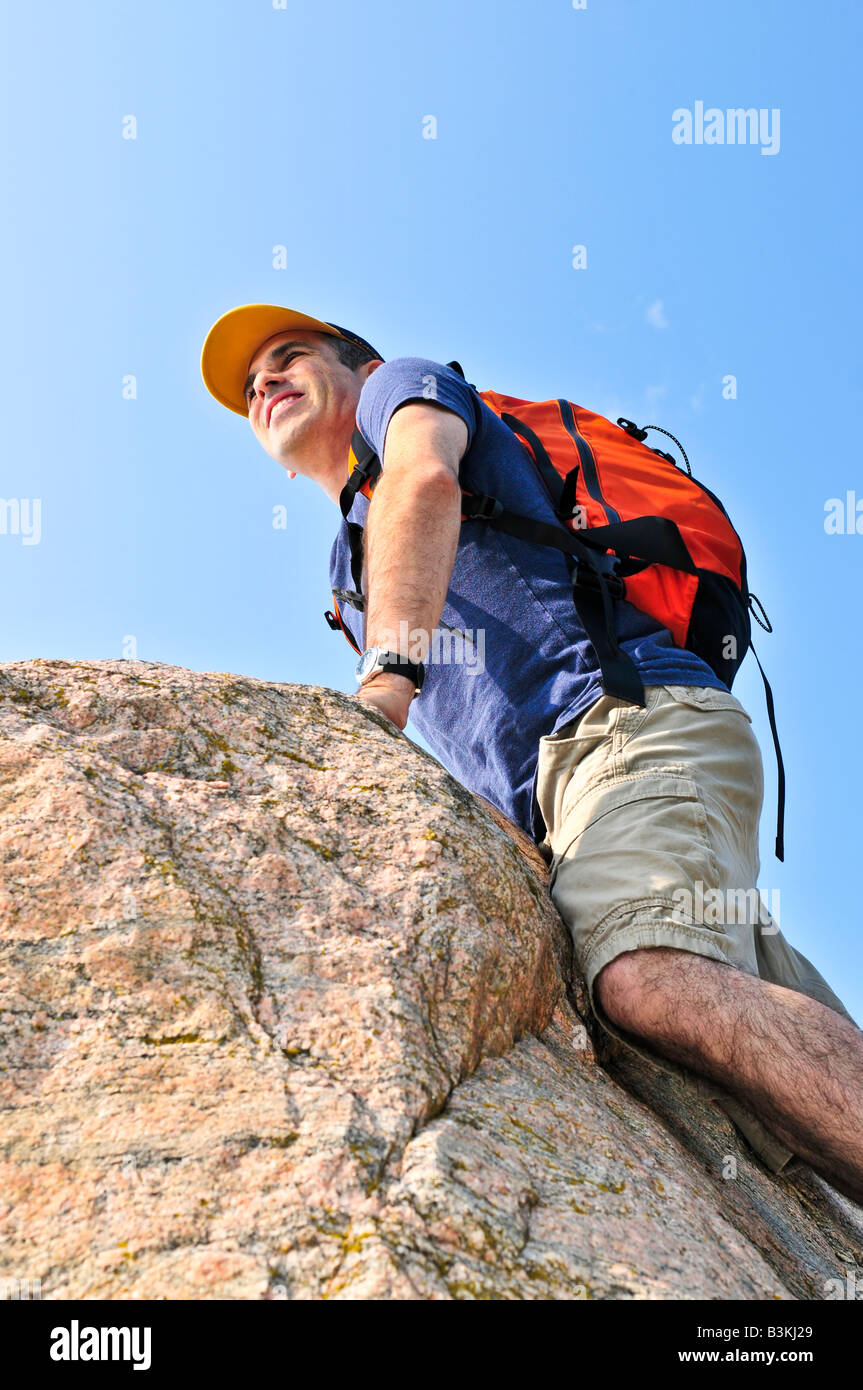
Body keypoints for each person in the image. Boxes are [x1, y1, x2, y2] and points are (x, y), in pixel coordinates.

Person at [201, 302, 863, 1203]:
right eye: (249, 386)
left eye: (290, 357)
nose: (266, 383)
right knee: (752, 1041)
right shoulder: (346, 569)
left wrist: (387, 674)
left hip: (623, 723)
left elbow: (425, 480)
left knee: (645, 974)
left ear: (357, 369)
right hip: (570, 805)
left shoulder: (403, 391)